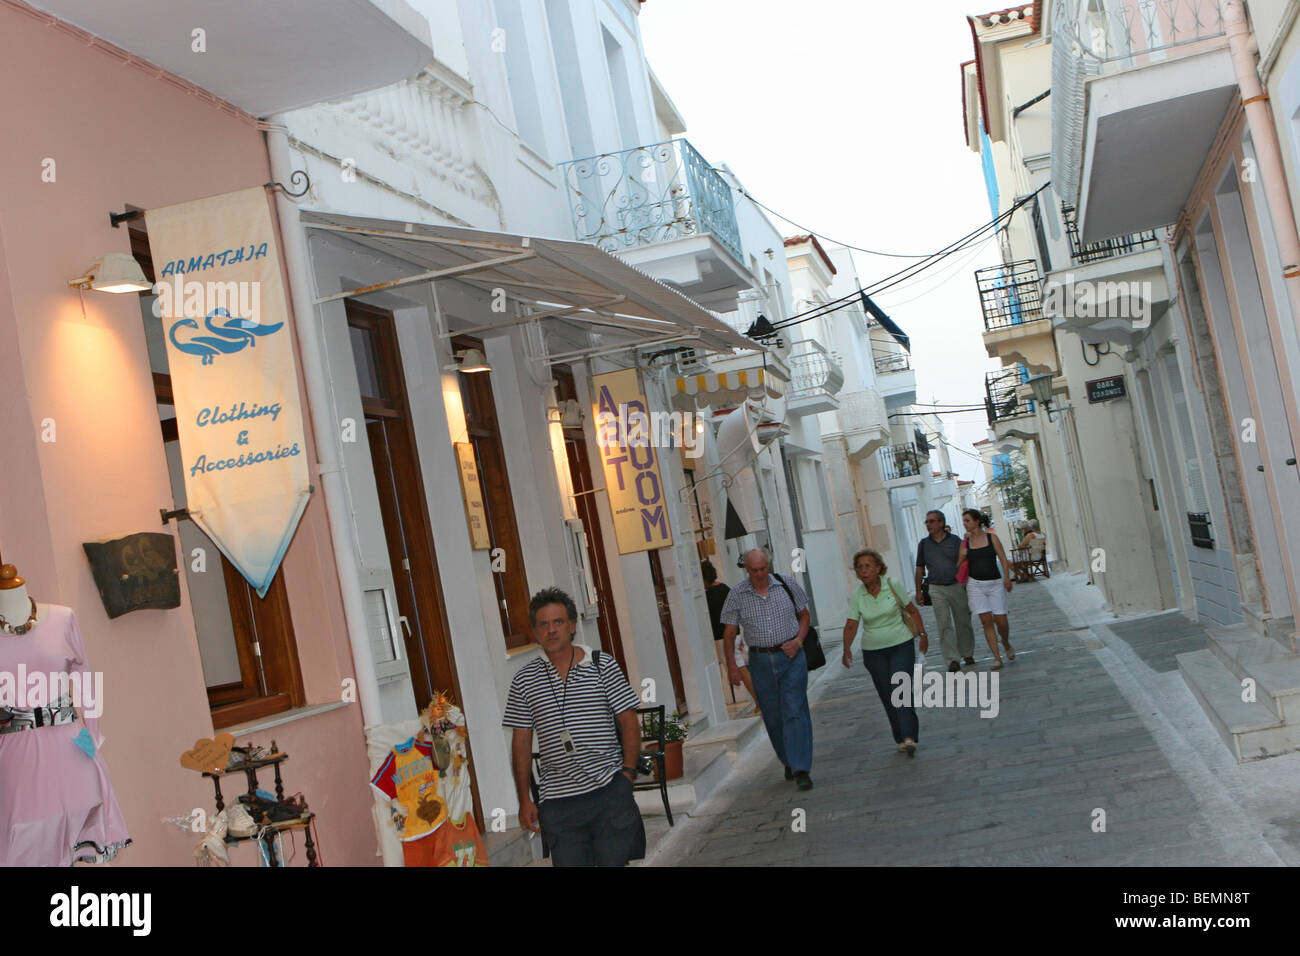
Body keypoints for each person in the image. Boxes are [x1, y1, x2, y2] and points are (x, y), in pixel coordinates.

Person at [501, 587, 645, 867]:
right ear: (535, 631)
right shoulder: (524, 680)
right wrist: (524, 799)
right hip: (559, 803)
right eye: (543, 624)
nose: (551, 630)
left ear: (572, 626)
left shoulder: (602, 666)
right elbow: (520, 742)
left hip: (608, 792)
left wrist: (626, 775)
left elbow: (628, 721)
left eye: (558, 622)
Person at [720, 549, 815, 790]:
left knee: (794, 709)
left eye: (763, 569)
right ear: (747, 570)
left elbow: (804, 615)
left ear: (768, 566)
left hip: (791, 655)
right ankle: (787, 758)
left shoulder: (786, 583)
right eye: (755, 570)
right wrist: (732, 666)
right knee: (773, 715)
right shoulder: (737, 595)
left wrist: (799, 641)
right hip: (760, 661)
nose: (760, 574)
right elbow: (729, 634)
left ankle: (801, 766)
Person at [842, 548, 928, 755]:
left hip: (901, 644)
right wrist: (846, 649)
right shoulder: (858, 596)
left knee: (900, 688)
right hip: (873, 651)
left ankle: (910, 736)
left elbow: (912, 611)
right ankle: (899, 737)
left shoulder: (893, 585)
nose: (863, 571)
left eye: (867, 566)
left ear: (878, 568)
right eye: (859, 567)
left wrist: (923, 635)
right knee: (887, 695)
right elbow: (852, 624)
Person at [914, 509, 976, 673]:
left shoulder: (955, 541)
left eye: (932, 521)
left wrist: (966, 582)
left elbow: (964, 562)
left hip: (956, 586)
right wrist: (918, 591)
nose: (929, 525)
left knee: (963, 621)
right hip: (936, 588)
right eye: (927, 522)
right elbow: (920, 568)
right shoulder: (924, 544)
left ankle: (967, 653)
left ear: (941, 523)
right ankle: (952, 659)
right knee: (943, 624)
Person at [957, 509, 1015, 669]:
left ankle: (1005, 642)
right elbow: (958, 567)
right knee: (986, 622)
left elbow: (1003, 558)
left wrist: (1007, 578)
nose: (965, 524)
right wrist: (961, 557)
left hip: (995, 584)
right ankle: (997, 658)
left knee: (1001, 622)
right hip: (975, 585)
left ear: (977, 521)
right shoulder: (965, 543)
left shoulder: (992, 538)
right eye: (963, 521)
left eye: (967, 520)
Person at [702, 560, 759, 716]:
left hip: (722, 638)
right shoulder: (726, 589)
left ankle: (760, 703)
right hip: (735, 634)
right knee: (743, 668)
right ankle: (760, 702)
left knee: (739, 669)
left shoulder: (707, 597)